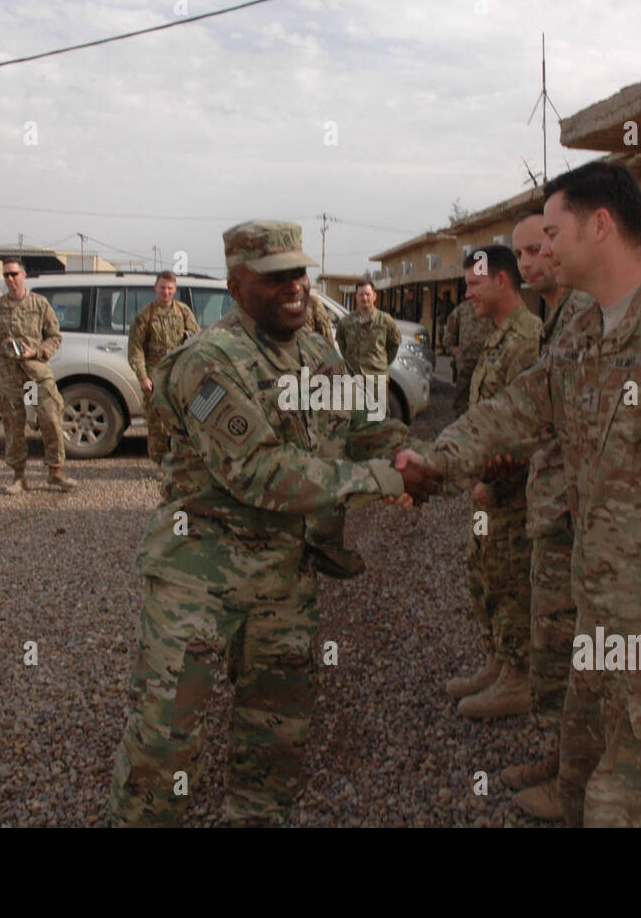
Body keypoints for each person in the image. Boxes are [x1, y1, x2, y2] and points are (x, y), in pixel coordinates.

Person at [399, 161, 641, 826]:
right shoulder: (580, 329)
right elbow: (520, 408)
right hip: (600, 608)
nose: (545, 250)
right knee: (584, 770)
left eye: (553, 232)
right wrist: (434, 460)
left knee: (630, 805)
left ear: (601, 226)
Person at [109, 220, 439, 827]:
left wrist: (410, 454)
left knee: (275, 734)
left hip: (285, 580)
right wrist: (385, 482)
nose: (295, 288)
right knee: (165, 741)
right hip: (199, 580)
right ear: (236, 285)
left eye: (300, 274)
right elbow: (259, 472)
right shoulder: (203, 365)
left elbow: (364, 425)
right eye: (275, 277)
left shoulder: (318, 352)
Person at [502, 209, 593, 815]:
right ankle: (566, 760)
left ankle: (577, 786)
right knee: (555, 652)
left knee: (573, 657)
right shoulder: (556, 318)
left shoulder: (587, 318)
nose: (532, 262)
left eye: (542, 246)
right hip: (555, 516)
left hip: (577, 522)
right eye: (524, 254)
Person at [445, 245, 541, 720]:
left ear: (503, 281)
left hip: (510, 499)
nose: (467, 294)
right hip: (486, 495)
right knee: (483, 577)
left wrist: (495, 485)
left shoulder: (528, 342)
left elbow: (528, 429)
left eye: (474, 284)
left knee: (509, 583)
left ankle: (519, 680)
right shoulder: (498, 336)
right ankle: (497, 663)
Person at [0, 258, 77, 494]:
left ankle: (56, 473)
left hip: (36, 373)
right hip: (8, 376)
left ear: (23, 275)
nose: (10, 279)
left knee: (51, 419)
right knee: (13, 426)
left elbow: (55, 337)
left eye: (14, 274)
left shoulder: (39, 304)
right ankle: (19, 477)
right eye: (6, 275)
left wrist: (37, 352)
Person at [128, 271, 201, 468]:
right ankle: (161, 463)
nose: (166, 292)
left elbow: (196, 341)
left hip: (179, 375)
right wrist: (143, 377)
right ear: (156, 288)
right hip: (155, 376)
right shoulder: (145, 315)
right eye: (162, 287)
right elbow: (135, 349)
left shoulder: (184, 312)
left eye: (169, 288)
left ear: (175, 289)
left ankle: (182, 462)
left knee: (183, 421)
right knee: (156, 424)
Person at [335, 280, 399, 379]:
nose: (364, 298)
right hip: (354, 378)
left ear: (374, 296)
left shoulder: (386, 320)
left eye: (368, 294)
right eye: (361, 295)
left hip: (377, 380)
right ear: (356, 296)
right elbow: (342, 346)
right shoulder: (345, 322)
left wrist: (379, 364)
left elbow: (393, 346)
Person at [442, 296, 494, 418]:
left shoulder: (491, 307)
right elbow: (450, 331)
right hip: (466, 362)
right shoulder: (462, 309)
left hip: (486, 361)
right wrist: (453, 349)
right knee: (462, 397)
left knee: (485, 395)